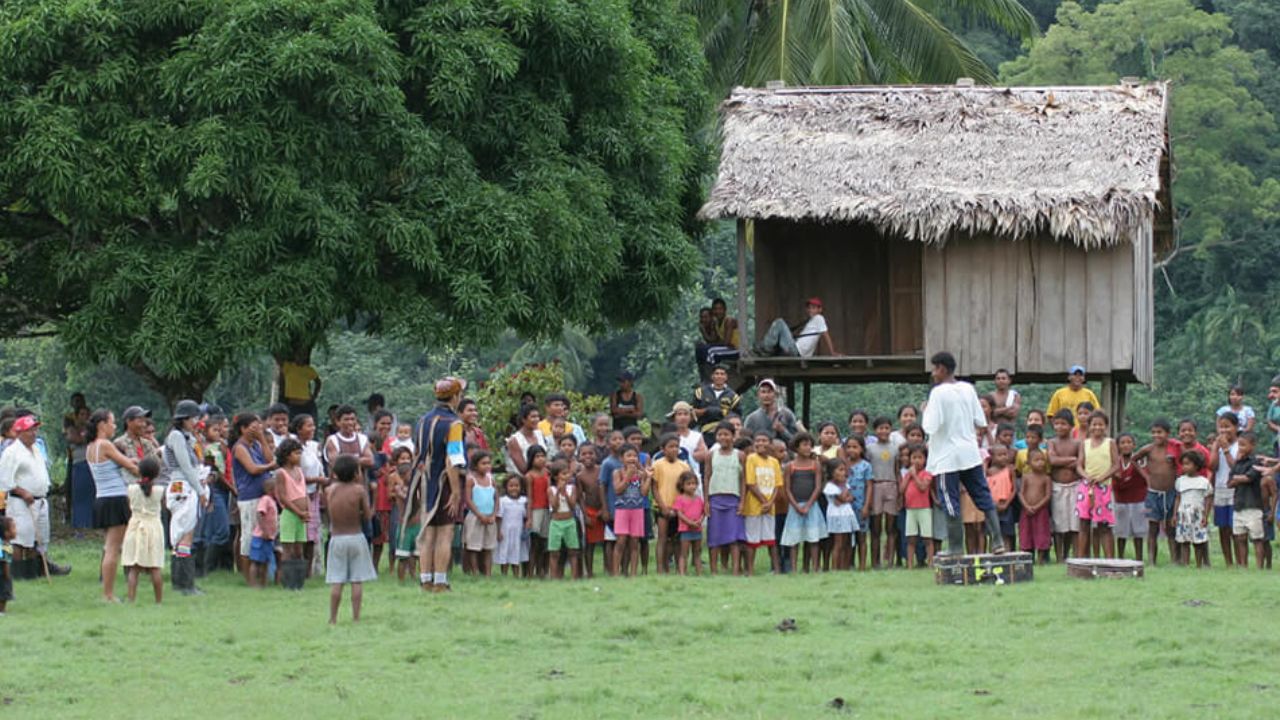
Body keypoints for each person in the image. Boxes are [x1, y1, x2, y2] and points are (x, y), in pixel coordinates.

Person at [921, 351, 1007, 556]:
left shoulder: (938, 393)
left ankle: (956, 547)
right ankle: (997, 542)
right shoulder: (968, 389)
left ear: (941, 368)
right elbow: (980, 420)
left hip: (946, 457)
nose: (933, 374)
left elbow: (931, 427)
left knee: (950, 501)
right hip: (970, 453)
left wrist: (925, 410)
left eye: (934, 369)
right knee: (983, 496)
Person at [406, 377, 468, 592]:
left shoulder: (423, 420)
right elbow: (452, 458)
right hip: (444, 482)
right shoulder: (454, 424)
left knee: (427, 532)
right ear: (455, 397)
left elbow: (417, 453)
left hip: (424, 480)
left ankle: (425, 579)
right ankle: (440, 581)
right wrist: (456, 491)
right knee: (445, 533)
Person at [0, 415, 71, 579]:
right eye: (29, 430)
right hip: (21, 502)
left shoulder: (36, 449)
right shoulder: (12, 452)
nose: (33, 433)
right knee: (20, 538)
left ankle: (32, 573)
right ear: (19, 432)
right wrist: (22, 492)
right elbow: (4, 479)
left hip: (40, 500)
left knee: (37, 538)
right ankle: (15, 574)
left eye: (35, 429)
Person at [86, 409, 140, 602]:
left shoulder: (91, 447)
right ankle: (108, 594)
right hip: (115, 499)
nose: (114, 426)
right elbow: (130, 466)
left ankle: (109, 591)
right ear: (102, 424)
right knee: (113, 549)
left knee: (110, 547)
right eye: (112, 422)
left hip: (102, 499)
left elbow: (119, 463)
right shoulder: (105, 444)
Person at [162, 400, 208, 595]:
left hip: (186, 485)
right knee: (185, 533)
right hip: (183, 486)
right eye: (194, 418)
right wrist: (200, 491)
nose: (196, 422)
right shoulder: (176, 437)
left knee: (185, 532)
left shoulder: (185, 437)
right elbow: (186, 466)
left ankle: (182, 582)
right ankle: (185, 584)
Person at [326, 454, 376, 623]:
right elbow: (367, 515)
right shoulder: (359, 490)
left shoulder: (330, 490)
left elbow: (329, 511)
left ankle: (333, 618)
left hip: (337, 538)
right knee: (357, 580)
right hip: (356, 536)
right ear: (356, 474)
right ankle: (356, 617)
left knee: (336, 580)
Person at [232, 413, 277, 583]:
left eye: (259, 426)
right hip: (249, 496)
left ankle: (261, 575)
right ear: (243, 429)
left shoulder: (256, 444)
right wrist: (270, 467)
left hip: (263, 496)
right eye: (253, 427)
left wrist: (263, 440)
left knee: (262, 534)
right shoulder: (240, 447)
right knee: (249, 536)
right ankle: (248, 577)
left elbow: (269, 458)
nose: (257, 429)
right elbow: (252, 469)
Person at [1133, 419, 1180, 566]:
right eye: (1153, 432)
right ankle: (1151, 560)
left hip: (1171, 492)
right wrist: (1146, 476)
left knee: (1171, 528)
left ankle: (1174, 560)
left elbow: (1183, 462)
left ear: (1168, 433)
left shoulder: (1174, 449)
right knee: (1152, 528)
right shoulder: (1148, 449)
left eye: (1159, 432)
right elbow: (1134, 460)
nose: (1156, 435)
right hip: (1153, 493)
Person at [779, 432, 827, 572]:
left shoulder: (815, 465)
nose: (808, 448)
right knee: (794, 539)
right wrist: (795, 506)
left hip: (811, 506)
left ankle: (815, 567)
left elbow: (818, 486)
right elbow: (787, 488)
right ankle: (794, 569)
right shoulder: (790, 466)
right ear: (796, 447)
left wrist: (808, 505)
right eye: (804, 445)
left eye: (810, 445)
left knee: (813, 538)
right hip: (795, 507)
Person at [1075, 411, 1119, 559]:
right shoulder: (1084, 444)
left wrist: (1101, 478)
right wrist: (1086, 476)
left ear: (1106, 426)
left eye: (1101, 424)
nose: (1097, 427)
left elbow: (1115, 465)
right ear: (1089, 426)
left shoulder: (1110, 443)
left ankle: (1109, 560)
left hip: (1104, 487)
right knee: (1084, 524)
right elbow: (1079, 465)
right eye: (1094, 424)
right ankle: (1081, 560)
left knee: (1104, 526)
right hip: (1086, 488)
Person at [704, 422, 746, 575]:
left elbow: (743, 480)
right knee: (714, 537)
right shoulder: (711, 455)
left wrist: (742, 501)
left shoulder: (740, 455)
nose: (723, 437)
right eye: (720, 434)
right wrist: (706, 501)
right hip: (715, 500)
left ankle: (735, 571)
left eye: (726, 434)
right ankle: (714, 571)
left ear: (733, 436)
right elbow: (707, 477)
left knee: (734, 538)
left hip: (733, 500)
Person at [122, 457, 165, 604]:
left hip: (135, 526)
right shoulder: (160, 491)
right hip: (154, 527)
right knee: (155, 566)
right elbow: (164, 507)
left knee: (134, 568)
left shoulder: (131, 489)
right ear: (157, 474)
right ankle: (158, 601)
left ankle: (131, 598)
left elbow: (130, 506)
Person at [742, 431, 782, 575]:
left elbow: (778, 485)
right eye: (757, 441)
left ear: (770, 443)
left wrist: (770, 503)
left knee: (771, 539)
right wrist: (764, 501)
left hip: (770, 508)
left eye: (764, 440)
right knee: (752, 540)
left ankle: (776, 570)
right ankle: (750, 571)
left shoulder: (774, 462)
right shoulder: (751, 459)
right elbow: (751, 483)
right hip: (753, 506)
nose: (760, 443)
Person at [292, 414, 326, 576]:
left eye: (313, 425)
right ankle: (299, 571)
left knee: (312, 536)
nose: (312, 429)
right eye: (308, 426)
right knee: (302, 536)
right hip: (300, 495)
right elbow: (295, 476)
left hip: (313, 494)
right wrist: (318, 479)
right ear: (299, 429)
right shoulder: (294, 447)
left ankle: (309, 572)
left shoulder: (311, 447)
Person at [651, 434, 691, 574]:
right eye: (670, 447)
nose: (674, 450)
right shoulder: (657, 465)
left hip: (679, 509)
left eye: (676, 447)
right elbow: (654, 488)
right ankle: (661, 568)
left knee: (677, 539)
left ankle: (678, 568)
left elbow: (686, 488)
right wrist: (663, 507)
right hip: (662, 507)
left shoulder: (684, 466)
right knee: (663, 539)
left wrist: (682, 507)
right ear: (663, 449)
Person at [273, 438, 309, 589]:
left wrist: (306, 511)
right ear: (287, 455)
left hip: (302, 515)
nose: (299, 456)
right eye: (296, 453)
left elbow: (303, 491)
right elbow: (283, 497)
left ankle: (298, 581)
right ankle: (287, 582)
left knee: (299, 549)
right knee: (287, 549)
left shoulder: (299, 471)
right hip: (290, 514)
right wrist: (298, 511)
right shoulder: (281, 473)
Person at [866, 417, 901, 568]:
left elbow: (897, 470)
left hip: (891, 485)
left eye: (887, 428)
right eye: (880, 428)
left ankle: (890, 562)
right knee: (876, 527)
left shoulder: (895, 448)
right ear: (875, 430)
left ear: (891, 429)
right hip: (875, 486)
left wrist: (899, 491)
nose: (883, 431)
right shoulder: (870, 449)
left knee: (891, 527)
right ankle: (875, 562)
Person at [1047, 410, 1081, 562]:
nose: (1059, 427)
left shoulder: (1077, 443)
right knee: (1059, 524)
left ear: (1072, 426)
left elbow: (1080, 463)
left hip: (1075, 486)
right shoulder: (1052, 442)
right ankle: (1060, 556)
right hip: (1057, 486)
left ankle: (1074, 555)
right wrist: (1071, 459)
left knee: (1074, 525)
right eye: (1057, 424)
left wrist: (1064, 460)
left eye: (1063, 424)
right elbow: (1052, 461)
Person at [1207, 412, 1240, 567]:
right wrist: (1215, 448)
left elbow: (1237, 468)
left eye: (1227, 427)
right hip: (1220, 489)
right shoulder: (1218, 445)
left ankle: (1241, 561)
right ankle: (1228, 562)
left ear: (1236, 427)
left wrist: (1226, 449)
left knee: (1236, 528)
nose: (1224, 431)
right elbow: (1212, 466)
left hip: (1236, 490)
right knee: (1223, 528)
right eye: (1221, 427)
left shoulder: (1240, 445)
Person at [1228, 431, 1266, 568]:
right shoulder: (1237, 464)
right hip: (1239, 505)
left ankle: (1259, 566)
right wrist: (1239, 478)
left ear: (1253, 445)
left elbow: (1249, 478)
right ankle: (1243, 565)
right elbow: (1229, 483)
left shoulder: (1256, 462)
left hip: (1253, 506)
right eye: (1239, 445)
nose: (1241, 448)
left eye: (1243, 445)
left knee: (1257, 538)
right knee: (1240, 537)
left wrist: (1238, 478)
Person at [611, 446, 650, 577]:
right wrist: (627, 476)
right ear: (622, 458)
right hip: (622, 511)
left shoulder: (640, 474)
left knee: (634, 543)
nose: (632, 458)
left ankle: (633, 573)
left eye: (635, 456)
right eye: (629, 455)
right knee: (621, 542)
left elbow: (644, 493)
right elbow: (617, 490)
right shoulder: (618, 473)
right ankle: (616, 572)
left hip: (637, 510)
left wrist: (648, 478)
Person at [755, 297, 837, 358]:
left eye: (814, 308)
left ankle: (765, 349)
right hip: (797, 351)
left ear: (820, 309)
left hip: (796, 351)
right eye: (809, 308)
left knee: (779, 322)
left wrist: (832, 352)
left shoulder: (819, 318)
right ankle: (764, 348)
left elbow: (826, 334)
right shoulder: (812, 321)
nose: (810, 310)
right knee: (779, 332)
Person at [1111, 433, 1147, 561]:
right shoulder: (1115, 462)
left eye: (1129, 442)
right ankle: (1120, 557)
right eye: (1122, 443)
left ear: (1134, 445)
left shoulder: (1140, 460)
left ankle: (1139, 558)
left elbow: (1145, 478)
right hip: (1120, 500)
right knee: (1121, 531)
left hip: (1138, 499)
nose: (1126, 445)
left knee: (1139, 531)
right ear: (1118, 446)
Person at [1173, 451, 1212, 567]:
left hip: (1197, 514)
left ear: (1196, 466)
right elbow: (1178, 498)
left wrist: (1206, 515)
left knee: (1198, 541)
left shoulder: (1203, 482)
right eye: (1183, 464)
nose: (1184, 467)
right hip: (1184, 514)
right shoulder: (1180, 481)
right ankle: (1186, 563)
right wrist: (1175, 515)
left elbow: (1208, 499)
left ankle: (1199, 564)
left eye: (1188, 464)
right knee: (1184, 540)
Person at [463, 451, 498, 577]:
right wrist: (479, 515)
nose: (487, 466)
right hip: (475, 517)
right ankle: (475, 572)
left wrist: (494, 514)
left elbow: (496, 498)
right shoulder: (471, 480)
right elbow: (468, 500)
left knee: (488, 547)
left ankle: (488, 573)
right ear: (475, 465)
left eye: (488, 463)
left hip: (489, 517)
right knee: (473, 546)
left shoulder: (491, 480)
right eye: (483, 463)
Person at [899, 444, 934, 569]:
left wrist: (914, 476)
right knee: (911, 538)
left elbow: (923, 487)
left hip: (924, 509)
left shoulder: (927, 473)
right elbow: (901, 490)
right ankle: (909, 564)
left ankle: (930, 562)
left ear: (925, 459)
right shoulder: (908, 474)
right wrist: (909, 476)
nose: (917, 461)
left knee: (927, 538)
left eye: (920, 458)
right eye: (914, 458)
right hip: (910, 509)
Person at [545, 461, 579, 580]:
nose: (567, 476)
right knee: (554, 552)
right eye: (564, 474)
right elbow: (554, 507)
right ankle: (554, 576)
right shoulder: (551, 490)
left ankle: (574, 576)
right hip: (556, 523)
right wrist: (559, 492)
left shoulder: (572, 488)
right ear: (556, 477)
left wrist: (565, 493)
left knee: (573, 551)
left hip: (570, 521)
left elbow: (572, 505)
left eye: (568, 473)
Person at [1017, 448, 1052, 564]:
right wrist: (1026, 506)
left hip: (1041, 511)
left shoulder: (1046, 478)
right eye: (1036, 460)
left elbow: (1048, 496)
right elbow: (1021, 493)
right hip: (1026, 511)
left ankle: (1041, 559)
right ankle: (1028, 559)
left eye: (1043, 460)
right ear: (1028, 462)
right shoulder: (1026, 477)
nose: (1040, 463)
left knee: (1041, 533)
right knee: (1026, 533)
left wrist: (1037, 507)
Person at [844, 436, 873, 570]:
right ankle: (849, 563)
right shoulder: (843, 465)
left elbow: (869, 486)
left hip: (860, 505)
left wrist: (866, 506)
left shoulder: (866, 466)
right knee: (848, 537)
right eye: (849, 447)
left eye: (855, 447)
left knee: (861, 536)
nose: (851, 450)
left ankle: (862, 565)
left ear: (862, 449)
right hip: (845, 507)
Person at [693, 365, 740, 445]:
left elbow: (736, 416)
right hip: (705, 432)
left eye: (722, 374)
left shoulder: (733, 396)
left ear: (726, 377)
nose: (719, 376)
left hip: (725, 434)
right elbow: (693, 411)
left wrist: (711, 411)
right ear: (712, 376)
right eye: (717, 374)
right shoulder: (700, 392)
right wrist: (710, 411)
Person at [744, 379, 801, 445]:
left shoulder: (787, 414)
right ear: (758, 395)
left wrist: (783, 431)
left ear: (775, 394)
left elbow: (797, 442)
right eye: (763, 392)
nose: (766, 395)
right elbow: (746, 443)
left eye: (769, 392)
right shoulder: (752, 419)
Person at [576, 444, 604, 578]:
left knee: (607, 542)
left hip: (603, 510)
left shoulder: (602, 470)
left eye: (590, 453)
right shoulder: (580, 476)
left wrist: (604, 509)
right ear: (579, 457)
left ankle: (609, 568)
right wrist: (585, 514)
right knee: (589, 544)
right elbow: (580, 497)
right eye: (584, 454)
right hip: (589, 511)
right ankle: (589, 571)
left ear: (596, 455)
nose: (588, 456)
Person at [64, 405, 93, 530]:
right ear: (76, 416)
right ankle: (79, 524)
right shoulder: (72, 429)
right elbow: (75, 439)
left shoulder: (92, 429)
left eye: (87, 414)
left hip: (92, 463)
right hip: (79, 463)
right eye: (82, 414)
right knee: (79, 495)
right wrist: (85, 435)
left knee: (92, 494)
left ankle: (91, 522)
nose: (85, 417)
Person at [669, 402, 709, 488]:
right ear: (674, 417)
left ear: (690, 417)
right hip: (673, 478)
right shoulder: (669, 437)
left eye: (686, 414)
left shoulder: (697, 436)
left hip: (693, 479)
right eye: (679, 414)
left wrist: (693, 456)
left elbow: (704, 454)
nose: (682, 417)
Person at [495, 476, 529, 577]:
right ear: (506, 487)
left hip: (518, 532)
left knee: (516, 553)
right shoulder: (503, 501)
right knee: (505, 552)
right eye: (511, 486)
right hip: (505, 531)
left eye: (517, 486)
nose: (514, 488)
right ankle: (504, 575)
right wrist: (498, 531)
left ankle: (516, 575)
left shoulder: (524, 501)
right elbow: (499, 517)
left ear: (521, 487)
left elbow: (525, 517)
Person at [248, 475, 278, 589]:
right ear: (271, 490)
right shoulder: (265, 500)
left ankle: (263, 583)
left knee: (265, 560)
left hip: (269, 537)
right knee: (256, 561)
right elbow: (260, 514)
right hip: (260, 536)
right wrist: (264, 530)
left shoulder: (273, 501)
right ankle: (253, 583)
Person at [672, 472, 704, 575]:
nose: (692, 486)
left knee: (697, 553)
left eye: (694, 483)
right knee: (684, 553)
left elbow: (703, 512)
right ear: (682, 485)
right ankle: (682, 573)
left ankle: (699, 573)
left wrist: (699, 521)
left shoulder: (699, 499)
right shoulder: (680, 499)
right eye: (689, 484)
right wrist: (689, 522)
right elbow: (679, 513)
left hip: (697, 530)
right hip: (685, 530)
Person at [114, 406, 160, 477]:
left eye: (144, 421)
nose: (144, 424)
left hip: (149, 484)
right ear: (128, 422)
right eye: (140, 421)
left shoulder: (147, 443)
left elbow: (156, 465)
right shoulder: (119, 444)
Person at [699, 297, 742, 369]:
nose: (718, 311)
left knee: (710, 351)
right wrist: (703, 331)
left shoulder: (729, 321)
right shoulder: (716, 323)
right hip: (727, 348)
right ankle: (703, 375)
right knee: (701, 348)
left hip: (735, 350)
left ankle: (711, 375)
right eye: (715, 309)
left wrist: (713, 344)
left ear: (725, 310)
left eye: (720, 309)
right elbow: (712, 340)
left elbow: (726, 342)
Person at [505, 405, 547, 477]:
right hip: (523, 480)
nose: (536, 419)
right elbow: (523, 469)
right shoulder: (514, 440)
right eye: (533, 417)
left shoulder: (540, 434)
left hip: (543, 476)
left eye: (538, 416)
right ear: (523, 419)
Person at [279, 354, 322, 419]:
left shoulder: (308, 369)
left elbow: (318, 382)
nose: (300, 358)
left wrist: (314, 395)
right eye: (299, 356)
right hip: (292, 404)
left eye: (302, 356)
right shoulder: (288, 366)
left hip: (306, 404)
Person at [0, 517, 13, 613]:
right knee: (4, 593)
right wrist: (7, 576)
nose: (16, 530)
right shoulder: (6, 546)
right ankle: (2, 610)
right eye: (13, 527)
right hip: (2, 574)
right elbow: (5, 562)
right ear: (7, 533)